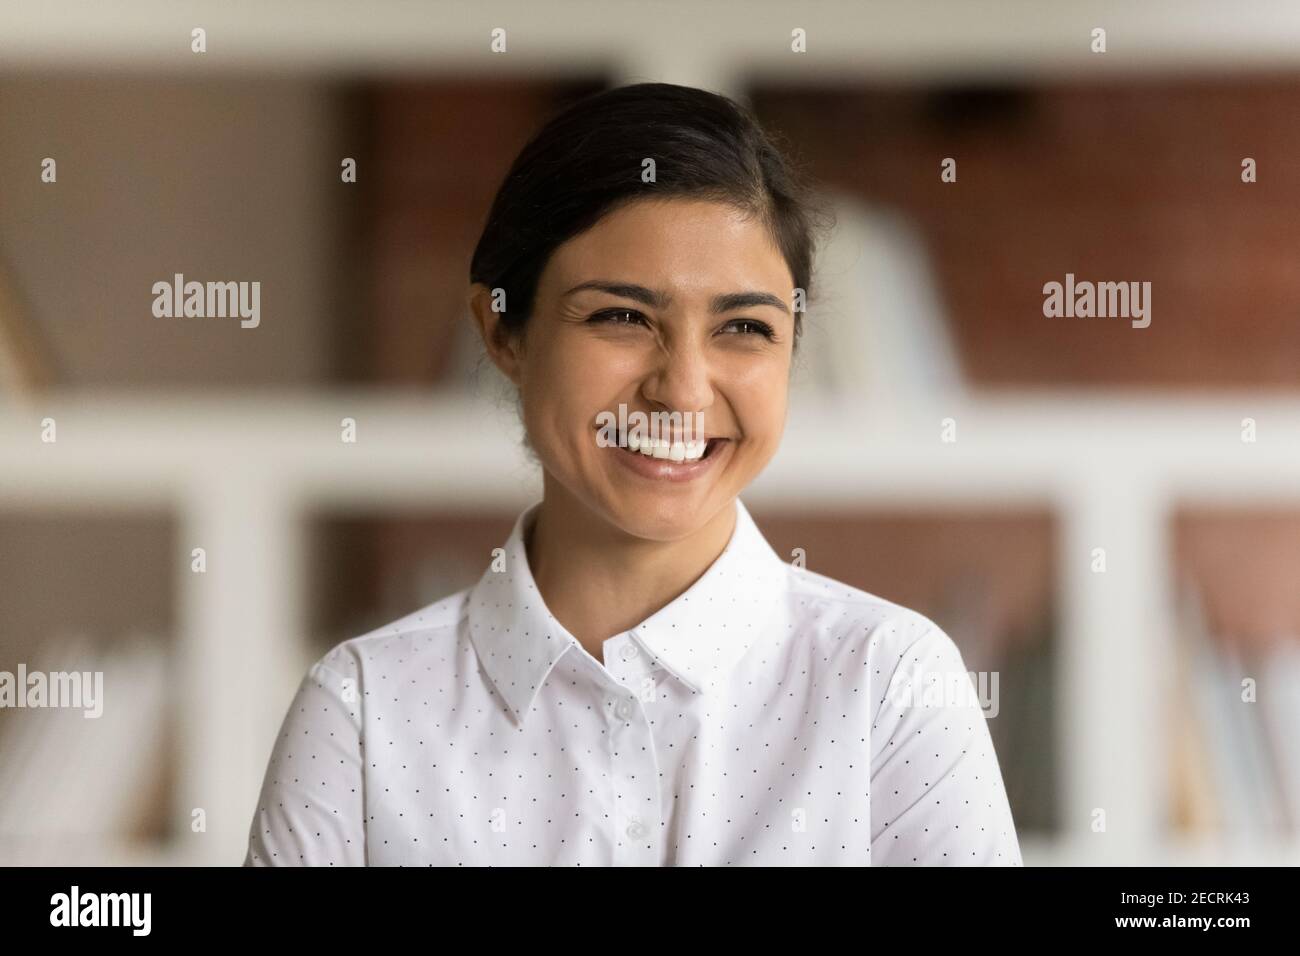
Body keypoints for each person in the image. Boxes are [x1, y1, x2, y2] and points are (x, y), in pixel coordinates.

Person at [243, 81, 1022, 866]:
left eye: (744, 327)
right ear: (502, 332)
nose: (682, 388)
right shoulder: (362, 713)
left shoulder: (890, 687)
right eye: (622, 317)